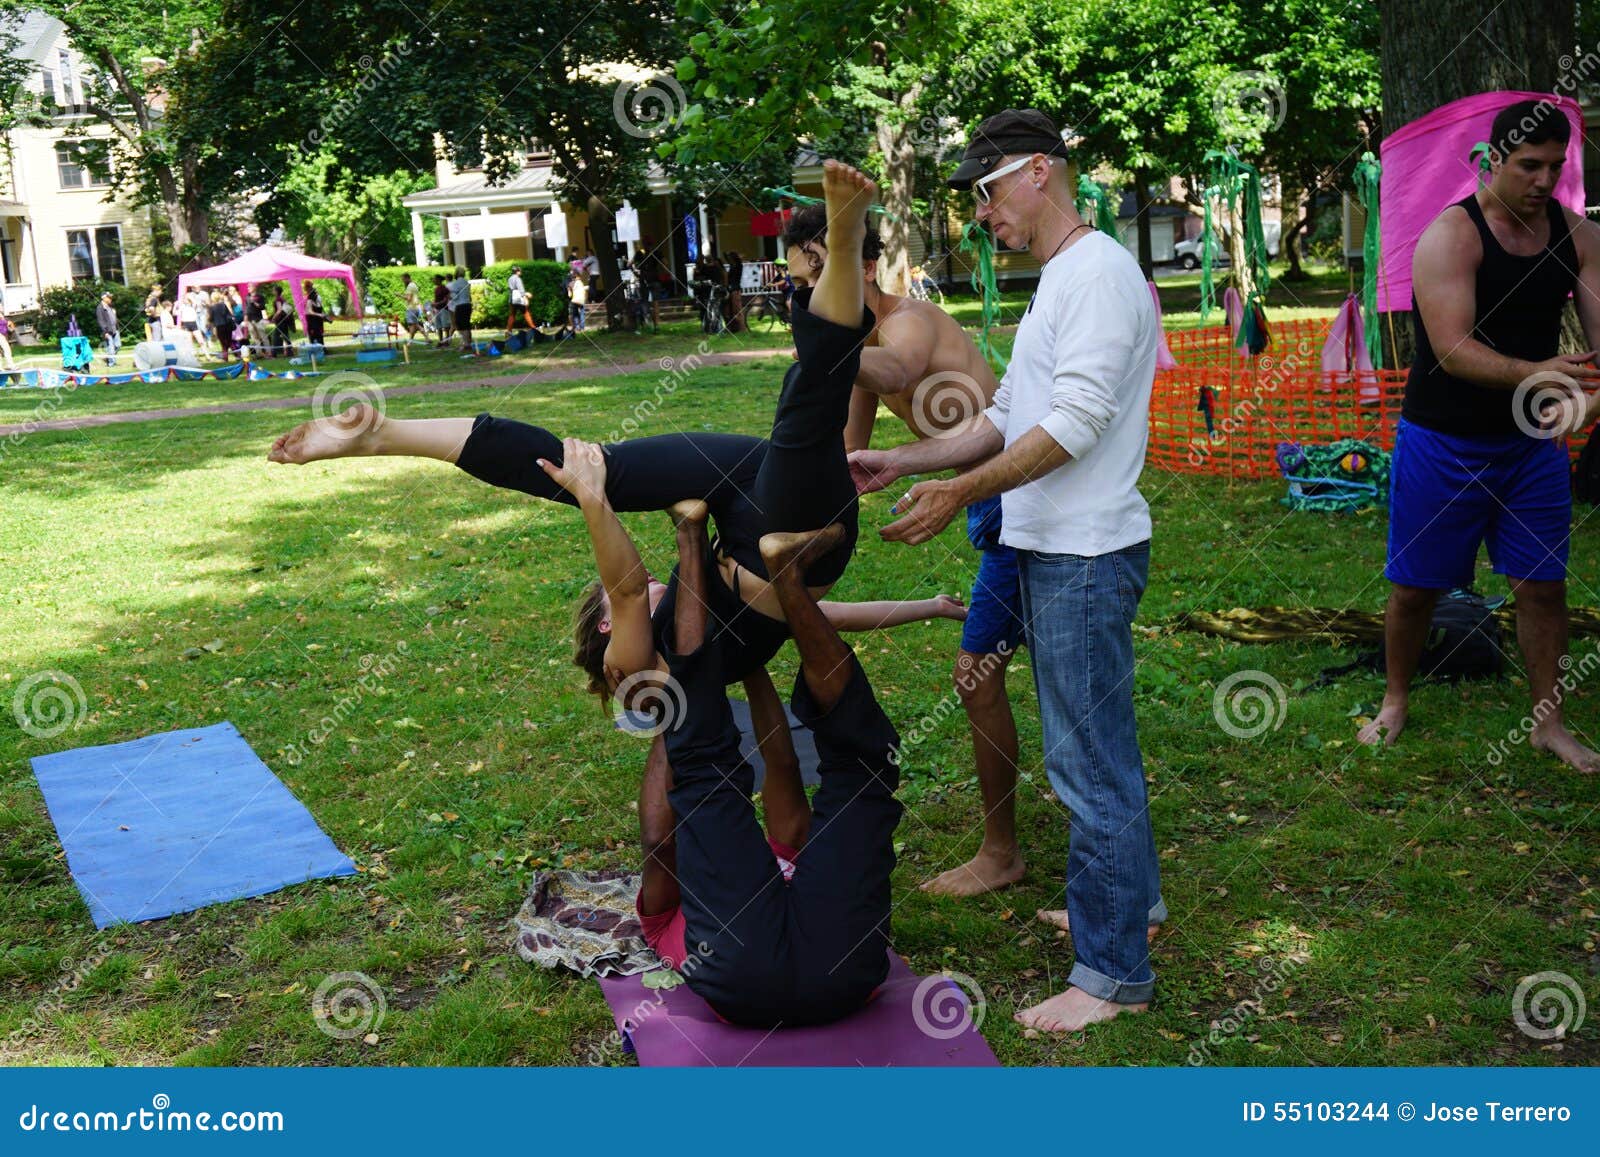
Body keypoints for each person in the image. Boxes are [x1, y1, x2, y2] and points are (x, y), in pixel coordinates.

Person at [268, 160, 882, 698]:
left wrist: (592, 490)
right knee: (806, 415)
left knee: (587, 465)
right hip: (787, 537)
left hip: (745, 510)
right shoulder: (631, 665)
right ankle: (840, 251)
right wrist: (591, 505)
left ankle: (385, 434)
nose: (648, 580)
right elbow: (627, 590)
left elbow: (633, 589)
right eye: (642, 590)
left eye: (648, 585)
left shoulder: (651, 638)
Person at [849, 110, 1163, 1032]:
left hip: (1085, 554)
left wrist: (960, 494)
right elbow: (1013, 410)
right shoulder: (1061, 278)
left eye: (984, 193)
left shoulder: (1099, 274)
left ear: (1036, 172)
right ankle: (1130, 907)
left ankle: (1111, 973)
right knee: (1101, 750)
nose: (979, 214)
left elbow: (1073, 426)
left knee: (1085, 761)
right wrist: (903, 464)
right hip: (1047, 546)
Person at [784, 199, 1022, 898]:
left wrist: (826, 343)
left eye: (821, 281)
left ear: (863, 268)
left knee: (978, 674)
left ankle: (1003, 850)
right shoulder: (855, 344)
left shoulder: (909, 323)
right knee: (998, 673)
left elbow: (889, 373)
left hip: (1026, 495)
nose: (811, 299)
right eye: (801, 286)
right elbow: (849, 453)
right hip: (991, 502)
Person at [1357, 99, 1600, 773]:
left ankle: (1548, 723)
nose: (1544, 180)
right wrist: (1540, 374)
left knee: (1543, 587)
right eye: (1529, 165)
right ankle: (1396, 700)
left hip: (1532, 447)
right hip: (1445, 439)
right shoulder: (1452, 235)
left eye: (1556, 166)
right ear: (1494, 160)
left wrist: (1592, 402)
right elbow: (1455, 348)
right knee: (1415, 588)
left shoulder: (1578, 237)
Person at [639, 513, 902, 1026]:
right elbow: (656, 841)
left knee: (711, 770)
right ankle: (710, 541)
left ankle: (717, 546)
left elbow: (777, 765)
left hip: (828, 978)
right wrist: (670, 723)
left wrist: (749, 666)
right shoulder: (660, 917)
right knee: (859, 766)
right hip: (812, 970)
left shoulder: (770, 861)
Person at [448, 266, 478, 357]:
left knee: (460, 326)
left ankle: (466, 344)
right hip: (468, 305)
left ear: (456, 273)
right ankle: (468, 342)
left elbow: (455, 297)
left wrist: (450, 295)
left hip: (460, 306)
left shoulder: (455, 284)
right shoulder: (466, 282)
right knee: (467, 325)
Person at [209, 292, 236, 363]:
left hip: (219, 326)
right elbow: (229, 314)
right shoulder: (223, 305)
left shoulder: (212, 307)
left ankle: (225, 357)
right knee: (229, 341)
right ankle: (237, 355)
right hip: (227, 325)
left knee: (223, 343)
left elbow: (211, 318)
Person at [505, 266, 533, 331]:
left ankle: (508, 331)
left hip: (512, 299)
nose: (521, 272)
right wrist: (525, 298)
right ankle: (533, 328)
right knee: (526, 312)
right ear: (517, 272)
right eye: (520, 271)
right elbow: (521, 289)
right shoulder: (518, 279)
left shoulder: (510, 278)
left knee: (512, 315)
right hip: (519, 299)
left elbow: (511, 289)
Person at [95, 292, 120, 367]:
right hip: (107, 331)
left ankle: (108, 358)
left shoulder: (110, 306)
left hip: (115, 329)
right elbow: (101, 321)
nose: (110, 299)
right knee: (111, 347)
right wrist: (105, 332)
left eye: (110, 297)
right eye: (108, 297)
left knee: (118, 345)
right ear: (103, 298)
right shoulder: (100, 308)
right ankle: (111, 363)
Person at [401, 273, 425, 340]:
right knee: (412, 326)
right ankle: (410, 342)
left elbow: (408, 298)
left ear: (407, 278)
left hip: (411, 308)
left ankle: (427, 337)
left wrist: (399, 295)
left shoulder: (409, 287)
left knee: (415, 325)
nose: (403, 281)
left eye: (403, 279)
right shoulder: (414, 285)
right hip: (416, 307)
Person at [431, 275, 452, 347]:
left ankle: (446, 341)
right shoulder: (436, 289)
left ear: (439, 280)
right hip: (437, 309)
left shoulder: (444, 288)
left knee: (446, 326)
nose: (433, 281)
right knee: (438, 326)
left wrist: (436, 303)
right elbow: (436, 298)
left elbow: (446, 299)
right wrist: (433, 304)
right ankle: (440, 341)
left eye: (434, 279)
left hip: (444, 309)